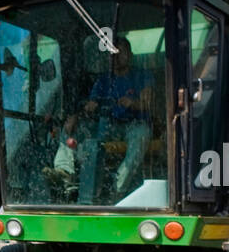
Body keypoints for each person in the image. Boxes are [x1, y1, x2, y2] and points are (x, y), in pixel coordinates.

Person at [45, 35, 154, 203]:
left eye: (120, 52)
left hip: (134, 124)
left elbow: (148, 103)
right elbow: (91, 104)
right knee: (70, 127)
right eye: (112, 53)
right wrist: (78, 115)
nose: (116, 57)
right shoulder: (103, 80)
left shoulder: (142, 75)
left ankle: (117, 189)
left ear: (130, 55)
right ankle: (64, 173)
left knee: (141, 135)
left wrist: (133, 103)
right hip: (107, 125)